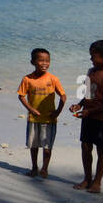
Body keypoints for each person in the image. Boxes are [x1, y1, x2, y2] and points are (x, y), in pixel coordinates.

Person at [68, 39, 103, 194]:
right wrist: (80, 104)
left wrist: (90, 111)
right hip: (88, 116)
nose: (91, 59)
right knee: (85, 146)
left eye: (94, 56)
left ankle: (97, 182)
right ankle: (87, 178)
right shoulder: (91, 72)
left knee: (101, 150)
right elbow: (88, 93)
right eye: (90, 56)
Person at [17, 48, 65, 178]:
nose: (44, 63)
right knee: (33, 145)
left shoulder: (53, 79)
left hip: (49, 119)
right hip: (33, 119)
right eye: (41, 60)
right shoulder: (27, 79)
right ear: (33, 62)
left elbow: (63, 96)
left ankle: (44, 168)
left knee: (47, 146)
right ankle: (34, 168)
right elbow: (21, 96)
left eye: (47, 61)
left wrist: (58, 112)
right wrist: (30, 109)